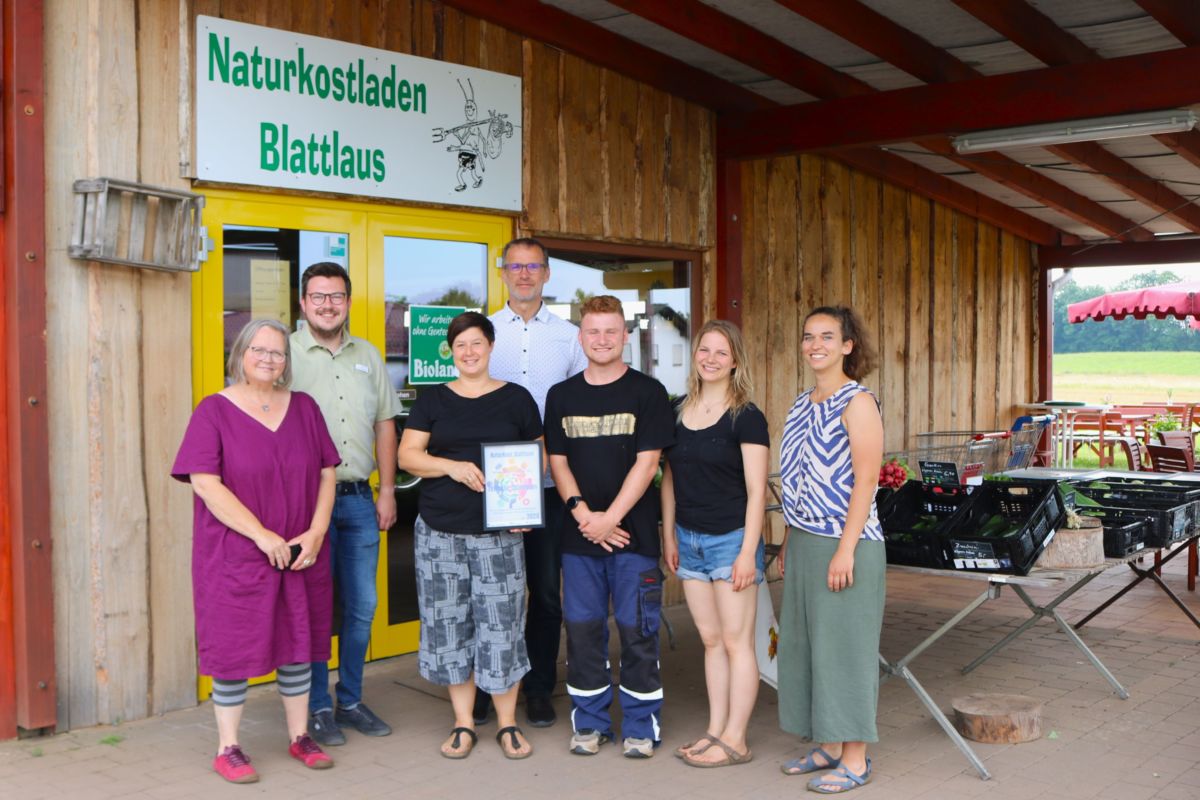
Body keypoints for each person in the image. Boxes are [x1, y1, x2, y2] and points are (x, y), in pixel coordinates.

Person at [171, 318, 340, 784]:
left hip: (301, 547)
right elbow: (205, 483)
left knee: (298, 642)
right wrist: (261, 534)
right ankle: (228, 747)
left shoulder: (304, 408)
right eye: (259, 350)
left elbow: (328, 471)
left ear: (288, 361)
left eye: (278, 352)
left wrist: (318, 530)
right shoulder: (214, 410)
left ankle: (300, 735)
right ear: (241, 354)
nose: (268, 359)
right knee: (234, 645)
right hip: (236, 552)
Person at [397, 312, 544, 760]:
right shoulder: (433, 399)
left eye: (476, 343)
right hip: (440, 532)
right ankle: (463, 723)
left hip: (499, 534)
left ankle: (507, 723)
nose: (469, 352)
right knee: (449, 626)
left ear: (491, 346)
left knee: (502, 627)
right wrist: (451, 466)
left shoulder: (517, 399)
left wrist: (526, 505)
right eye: (460, 345)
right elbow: (408, 455)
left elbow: (536, 457)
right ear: (451, 351)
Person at [544, 295, 675, 759]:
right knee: (582, 631)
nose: (601, 340)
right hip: (578, 539)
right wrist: (585, 517)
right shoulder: (561, 396)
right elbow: (556, 462)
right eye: (593, 331)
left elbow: (648, 463)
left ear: (625, 336)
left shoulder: (648, 393)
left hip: (632, 536)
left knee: (638, 629)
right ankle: (592, 722)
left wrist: (609, 519)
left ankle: (641, 724)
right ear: (581, 338)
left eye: (611, 331)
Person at [475, 236, 587, 729]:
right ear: (502, 272)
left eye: (533, 266)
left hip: (548, 489)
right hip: (490, 491)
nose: (523, 274)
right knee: (490, 593)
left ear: (546, 274)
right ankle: (486, 687)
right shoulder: (483, 333)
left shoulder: (568, 336)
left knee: (544, 594)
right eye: (515, 266)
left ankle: (540, 687)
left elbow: (583, 405)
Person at [290, 262, 402, 746]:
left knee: (362, 607)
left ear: (348, 302)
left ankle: (350, 699)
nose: (327, 304)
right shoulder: (284, 353)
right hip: (304, 503)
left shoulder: (370, 356)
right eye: (318, 296)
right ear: (302, 303)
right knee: (315, 609)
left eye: (336, 296)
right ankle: (316, 708)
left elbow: (384, 425)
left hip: (358, 499)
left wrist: (389, 490)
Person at [777, 306, 885, 795]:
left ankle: (856, 759)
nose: (815, 344)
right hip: (802, 542)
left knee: (844, 651)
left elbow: (866, 480)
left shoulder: (857, 402)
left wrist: (845, 549)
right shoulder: (801, 402)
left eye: (827, 336)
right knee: (805, 649)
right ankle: (829, 744)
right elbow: (796, 480)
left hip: (847, 544)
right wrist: (785, 541)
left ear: (847, 345)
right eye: (808, 337)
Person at [661, 320, 769, 768]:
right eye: (704, 350)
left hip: (731, 541)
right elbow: (669, 478)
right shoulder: (679, 411)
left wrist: (748, 551)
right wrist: (669, 534)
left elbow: (757, 490)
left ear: (735, 361)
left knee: (736, 641)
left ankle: (737, 740)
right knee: (709, 640)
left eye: (721, 352)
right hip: (689, 539)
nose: (710, 358)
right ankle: (715, 729)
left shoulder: (747, 416)